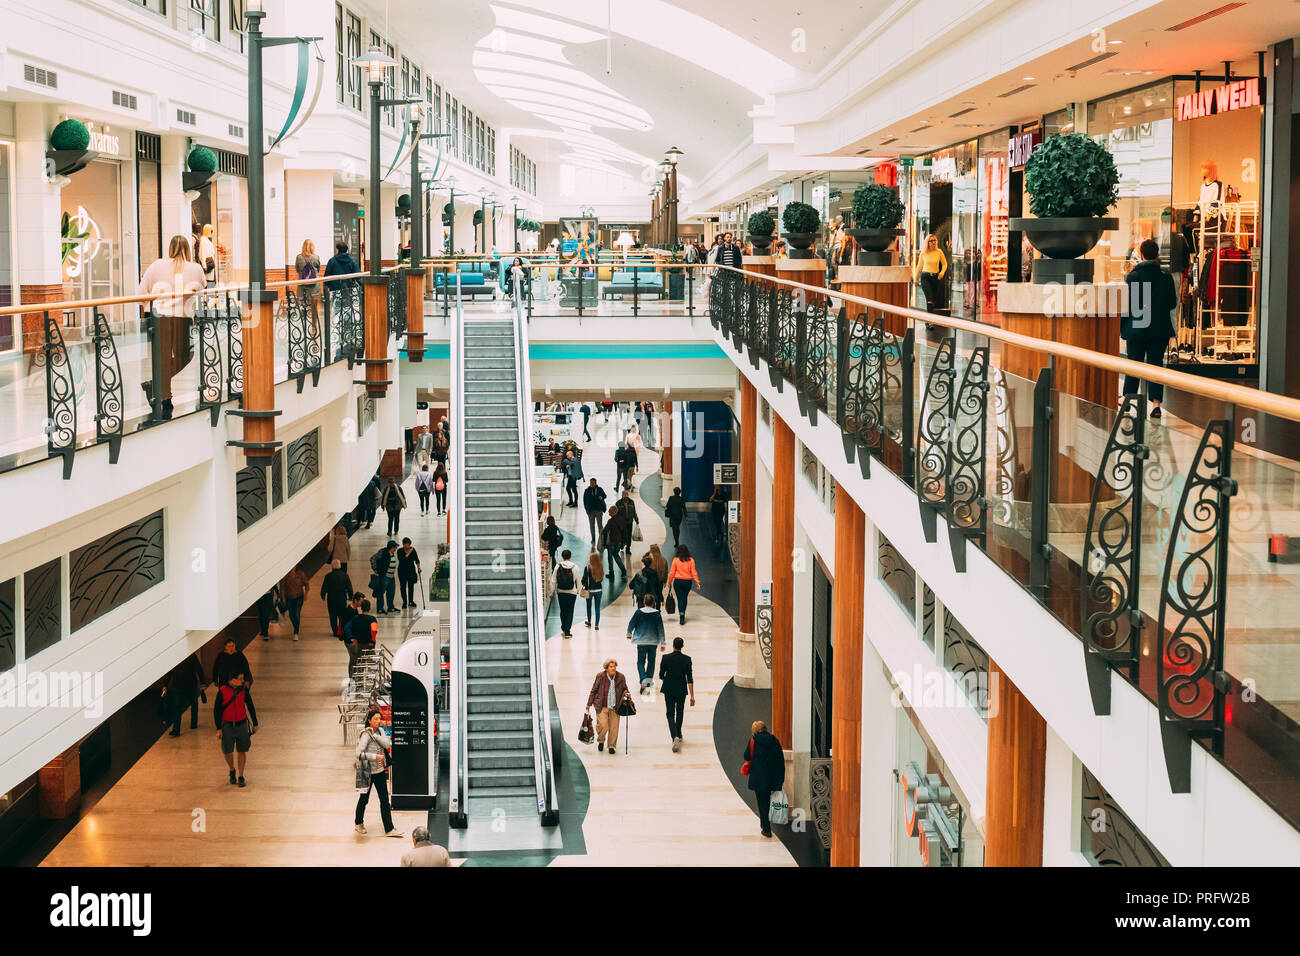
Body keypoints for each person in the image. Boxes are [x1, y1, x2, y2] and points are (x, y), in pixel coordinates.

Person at [138, 235, 206, 418]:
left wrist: (148, 307)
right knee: (184, 356)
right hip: (182, 318)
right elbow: (203, 287)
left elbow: (141, 292)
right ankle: (161, 393)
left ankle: (159, 391)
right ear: (188, 249)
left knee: (164, 359)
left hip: (159, 317)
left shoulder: (156, 266)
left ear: (170, 248)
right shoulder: (195, 268)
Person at [1122, 238, 1178, 420]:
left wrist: (1124, 326)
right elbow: (1171, 303)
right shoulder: (1165, 278)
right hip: (1159, 329)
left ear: (1141, 254)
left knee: (1134, 364)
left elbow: (1128, 306)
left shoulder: (1132, 277)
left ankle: (1128, 402)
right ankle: (1156, 404)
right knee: (1156, 365)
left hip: (1137, 328)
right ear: (1157, 256)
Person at [354, 707, 403, 838]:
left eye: (379, 718)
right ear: (369, 720)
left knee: (385, 800)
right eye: (375, 719)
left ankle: (389, 828)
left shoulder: (380, 731)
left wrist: (375, 735)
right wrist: (375, 756)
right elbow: (358, 753)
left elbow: (388, 744)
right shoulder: (365, 735)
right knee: (364, 799)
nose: (378, 721)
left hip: (380, 771)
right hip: (368, 773)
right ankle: (358, 823)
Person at [213, 672, 257, 787]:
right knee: (227, 751)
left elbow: (250, 705)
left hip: (242, 724)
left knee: (241, 750)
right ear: (232, 680)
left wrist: (255, 723)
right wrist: (218, 728)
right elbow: (216, 711)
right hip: (227, 725)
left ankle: (241, 776)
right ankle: (232, 769)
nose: (243, 681)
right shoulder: (222, 691)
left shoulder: (244, 690)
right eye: (240, 679)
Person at [744, 720, 786, 837]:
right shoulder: (774, 741)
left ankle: (766, 827)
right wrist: (780, 779)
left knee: (761, 802)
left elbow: (747, 756)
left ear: (755, 731)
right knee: (768, 800)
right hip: (771, 777)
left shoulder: (753, 741)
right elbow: (780, 760)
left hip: (758, 777)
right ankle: (767, 823)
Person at [585, 658, 631, 755]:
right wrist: (589, 703)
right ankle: (601, 740)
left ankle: (611, 746)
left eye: (614, 666)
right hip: (602, 705)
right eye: (611, 666)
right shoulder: (600, 676)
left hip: (615, 706)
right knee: (603, 725)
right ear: (606, 668)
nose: (613, 668)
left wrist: (627, 693)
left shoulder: (621, 677)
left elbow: (624, 689)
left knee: (614, 727)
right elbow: (593, 690)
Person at [659, 637, 695, 752]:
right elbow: (689, 679)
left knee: (670, 713)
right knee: (680, 711)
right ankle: (678, 734)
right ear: (682, 646)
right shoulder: (687, 660)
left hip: (668, 689)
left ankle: (674, 735)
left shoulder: (665, 658)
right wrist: (692, 696)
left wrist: (666, 678)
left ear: (673, 645)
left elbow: (661, 674)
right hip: (681, 690)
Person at [627, 593, 666, 692]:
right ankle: (648, 681)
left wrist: (629, 633)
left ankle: (643, 679)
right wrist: (663, 643)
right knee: (651, 662)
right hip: (653, 642)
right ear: (654, 603)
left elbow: (631, 623)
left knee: (640, 661)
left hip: (641, 641)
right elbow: (661, 629)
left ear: (644, 602)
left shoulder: (638, 612)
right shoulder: (657, 613)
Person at [162, 653, 205, 737]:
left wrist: (203, 683)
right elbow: (169, 671)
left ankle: (194, 723)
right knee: (177, 707)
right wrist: (165, 684)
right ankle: (176, 730)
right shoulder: (173, 656)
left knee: (194, 704)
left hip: (191, 685)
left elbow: (198, 668)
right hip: (177, 685)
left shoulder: (191, 655)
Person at [665, 544, 701, 626]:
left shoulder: (675, 560)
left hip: (678, 582)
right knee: (684, 598)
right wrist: (697, 581)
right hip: (687, 582)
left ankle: (681, 614)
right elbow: (693, 571)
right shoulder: (691, 560)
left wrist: (669, 582)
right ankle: (682, 612)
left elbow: (672, 572)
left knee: (680, 598)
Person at [914, 234, 948, 315]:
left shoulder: (939, 252)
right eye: (931, 241)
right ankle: (929, 322)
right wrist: (915, 278)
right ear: (927, 242)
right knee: (929, 299)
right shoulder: (924, 253)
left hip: (936, 278)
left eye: (935, 240)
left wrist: (942, 272)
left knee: (933, 301)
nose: (933, 242)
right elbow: (919, 267)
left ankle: (929, 319)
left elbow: (944, 264)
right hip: (925, 277)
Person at [320, 560, 354, 637]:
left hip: (331, 598)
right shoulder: (345, 575)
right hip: (342, 598)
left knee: (332, 616)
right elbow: (349, 587)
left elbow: (324, 587)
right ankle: (341, 630)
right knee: (341, 615)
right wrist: (351, 596)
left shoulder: (328, 576)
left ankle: (335, 631)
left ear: (332, 566)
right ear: (340, 566)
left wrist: (323, 595)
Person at [345, 598, 378, 673]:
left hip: (359, 645)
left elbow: (346, 627)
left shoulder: (355, 618)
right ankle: (371, 679)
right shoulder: (372, 619)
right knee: (373, 665)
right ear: (369, 608)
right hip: (369, 646)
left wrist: (352, 638)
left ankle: (356, 680)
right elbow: (374, 630)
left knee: (358, 663)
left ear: (361, 608)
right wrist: (372, 640)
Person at [553, 548, 580, 638]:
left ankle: (564, 626)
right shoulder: (575, 567)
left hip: (561, 592)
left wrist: (551, 592)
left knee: (563, 610)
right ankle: (567, 631)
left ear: (562, 557)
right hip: (572, 592)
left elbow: (553, 580)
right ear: (570, 556)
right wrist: (578, 590)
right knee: (570, 611)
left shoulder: (558, 567)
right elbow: (578, 580)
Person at [279, 563, 309, 641]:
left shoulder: (300, 574)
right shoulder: (285, 576)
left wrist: (306, 594)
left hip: (299, 597)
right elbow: (282, 587)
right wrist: (283, 598)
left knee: (297, 613)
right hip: (289, 598)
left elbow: (307, 584)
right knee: (292, 615)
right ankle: (296, 627)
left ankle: (296, 632)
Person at [295, 238, 321, 324]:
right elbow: (318, 269)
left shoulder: (299, 257)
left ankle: (303, 326)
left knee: (302, 307)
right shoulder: (316, 257)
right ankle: (314, 327)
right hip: (314, 287)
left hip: (302, 285)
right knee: (314, 309)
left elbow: (297, 270)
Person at [370, 541, 399, 614]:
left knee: (391, 593)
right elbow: (373, 558)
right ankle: (380, 608)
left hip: (391, 577)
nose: (396, 548)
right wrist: (375, 569)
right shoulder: (382, 552)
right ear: (392, 547)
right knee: (380, 593)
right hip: (384, 576)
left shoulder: (392, 553)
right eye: (395, 547)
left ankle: (390, 607)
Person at [339, 592, 363, 676]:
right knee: (353, 660)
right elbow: (345, 627)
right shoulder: (349, 611)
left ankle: (354, 678)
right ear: (355, 600)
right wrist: (352, 638)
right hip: (350, 641)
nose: (361, 603)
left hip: (352, 639)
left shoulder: (354, 609)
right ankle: (352, 680)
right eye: (360, 601)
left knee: (355, 659)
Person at [602, 506, 628, 581]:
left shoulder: (611, 521)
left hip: (612, 542)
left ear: (613, 512)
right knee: (616, 556)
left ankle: (611, 573)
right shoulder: (621, 519)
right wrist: (624, 542)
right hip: (619, 541)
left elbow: (605, 531)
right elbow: (625, 532)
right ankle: (623, 570)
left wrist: (604, 543)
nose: (608, 512)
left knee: (610, 557)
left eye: (609, 511)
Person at [396, 538, 422, 610]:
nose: (405, 546)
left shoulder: (413, 550)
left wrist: (419, 568)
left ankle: (411, 601)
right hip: (402, 571)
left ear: (409, 544)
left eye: (407, 544)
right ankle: (404, 602)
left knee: (411, 586)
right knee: (403, 587)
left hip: (411, 571)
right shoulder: (400, 551)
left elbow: (416, 560)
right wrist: (409, 552)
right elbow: (403, 559)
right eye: (404, 544)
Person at [582, 551, 604, 630]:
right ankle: (596, 625)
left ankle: (589, 621)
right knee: (597, 607)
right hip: (599, 590)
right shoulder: (600, 567)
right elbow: (601, 579)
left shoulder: (587, 568)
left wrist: (584, 584)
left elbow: (583, 580)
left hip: (590, 590)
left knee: (588, 606)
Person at [615, 489, 639, 556]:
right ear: (622, 496)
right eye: (624, 496)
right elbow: (616, 514)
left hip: (629, 522)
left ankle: (628, 548)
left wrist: (636, 519)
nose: (625, 497)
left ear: (628, 496)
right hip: (622, 523)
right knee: (622, 535)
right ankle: (622, 544)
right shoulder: (618, 503)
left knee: (629, 536)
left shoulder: (631, 502)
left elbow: (634, 511)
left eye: (626, 496)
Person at [583, 478, 607, 543]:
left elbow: (605, 496)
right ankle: (593, 538)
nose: (592, 484)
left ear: (595, 483)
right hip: (591, 511)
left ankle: (601, 538)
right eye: (591, 483)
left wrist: (602, 497)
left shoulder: (599, 489)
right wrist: (587, 510)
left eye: (593, 483)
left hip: (599, 510)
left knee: (600, 525)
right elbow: (585, 501)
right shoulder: (587, 491)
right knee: (592, 525)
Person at [194, 222, 217, 287]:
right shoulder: (203, 239)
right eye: (211, 231)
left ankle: (210, 295)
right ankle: (208, 296)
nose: (212, 232)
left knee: (211, 282)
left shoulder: (206, 239)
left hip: (210, 264)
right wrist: (204, 266)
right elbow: (202, 254)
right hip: (208, 265)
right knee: (209, 282)